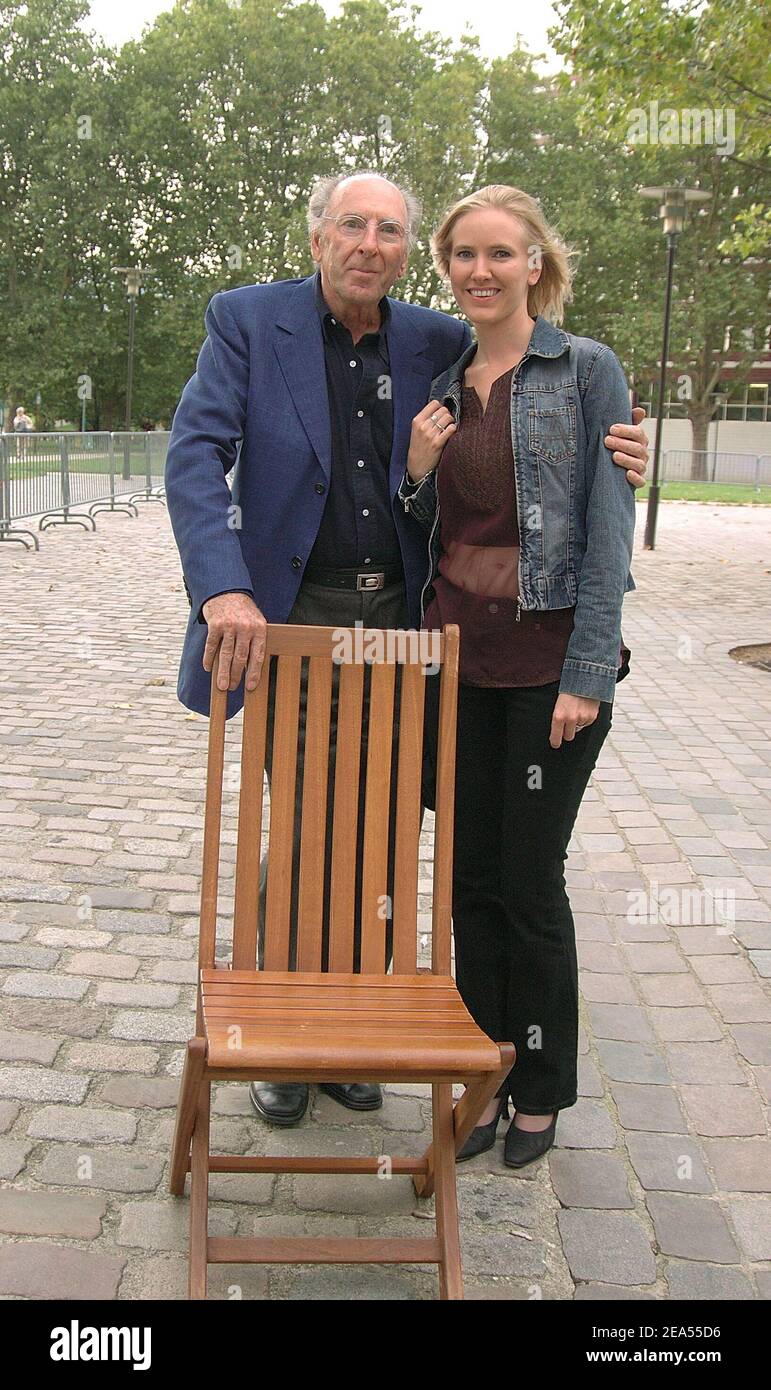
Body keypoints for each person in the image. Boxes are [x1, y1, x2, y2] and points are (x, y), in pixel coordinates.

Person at [164, 170, 650, 1129]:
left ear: (403, 252)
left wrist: (626, 452)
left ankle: (355, 1027)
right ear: (317, 237)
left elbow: (547, 416)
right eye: (352, 225)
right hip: (295, 620)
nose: (368, 245)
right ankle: (288, 1034)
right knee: (306, 826)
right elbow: (194, 453)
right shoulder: (247, 321)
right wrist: (223, 588)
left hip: (408, 627)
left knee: (385, 828)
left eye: (388, 230)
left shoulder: (435, 339)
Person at [400, 184, 638, 1169]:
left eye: (501, 253)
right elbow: (430, 531)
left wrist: (588, 671)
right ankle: (483, 1075)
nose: (481, 270)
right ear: (446, 266)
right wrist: (417, 471)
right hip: (456, 665)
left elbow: (610, 530)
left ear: (535, 264)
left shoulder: (585, 372)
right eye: (464, 254)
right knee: (469, 882)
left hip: (548, 670)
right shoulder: (441, 381)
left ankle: (539, 1087)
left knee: (529, 885)